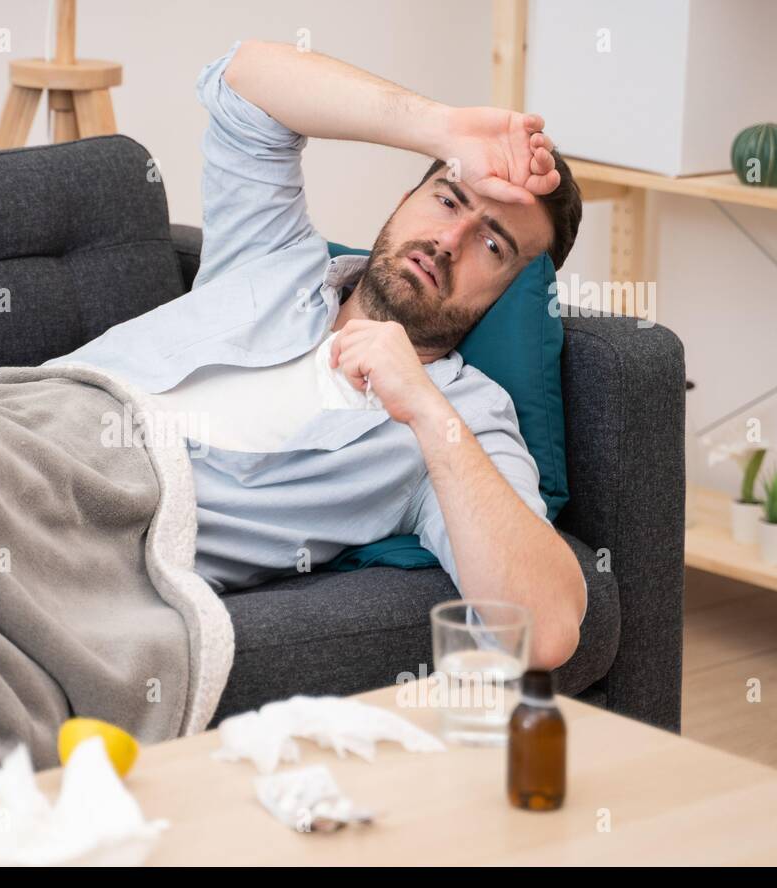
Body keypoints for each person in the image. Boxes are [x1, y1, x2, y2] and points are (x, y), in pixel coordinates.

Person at [44, 38, 586, 670]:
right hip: (20, 417)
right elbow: (245, 80)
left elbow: (544, 630)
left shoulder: (460, 418)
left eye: (491, 246)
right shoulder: (274, 257)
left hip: (90, 534)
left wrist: (421, 405)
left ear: (512, 290)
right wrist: (443, 127)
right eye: (447, 198)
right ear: (405, 199)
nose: (448, 240)